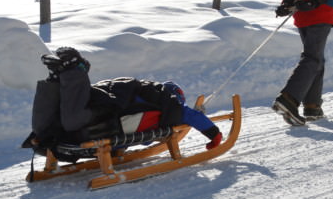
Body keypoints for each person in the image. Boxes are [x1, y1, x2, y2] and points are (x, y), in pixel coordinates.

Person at [22, 46, 223, 155]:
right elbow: (192, 116)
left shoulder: (151, 97)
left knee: (49, 125)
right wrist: (214, 135)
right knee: (73, 120)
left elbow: (133, 129)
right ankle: (75, 70)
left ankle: (57, 78)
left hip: (107, 103)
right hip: (110, 111)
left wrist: (117, 149)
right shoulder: (169, 102)